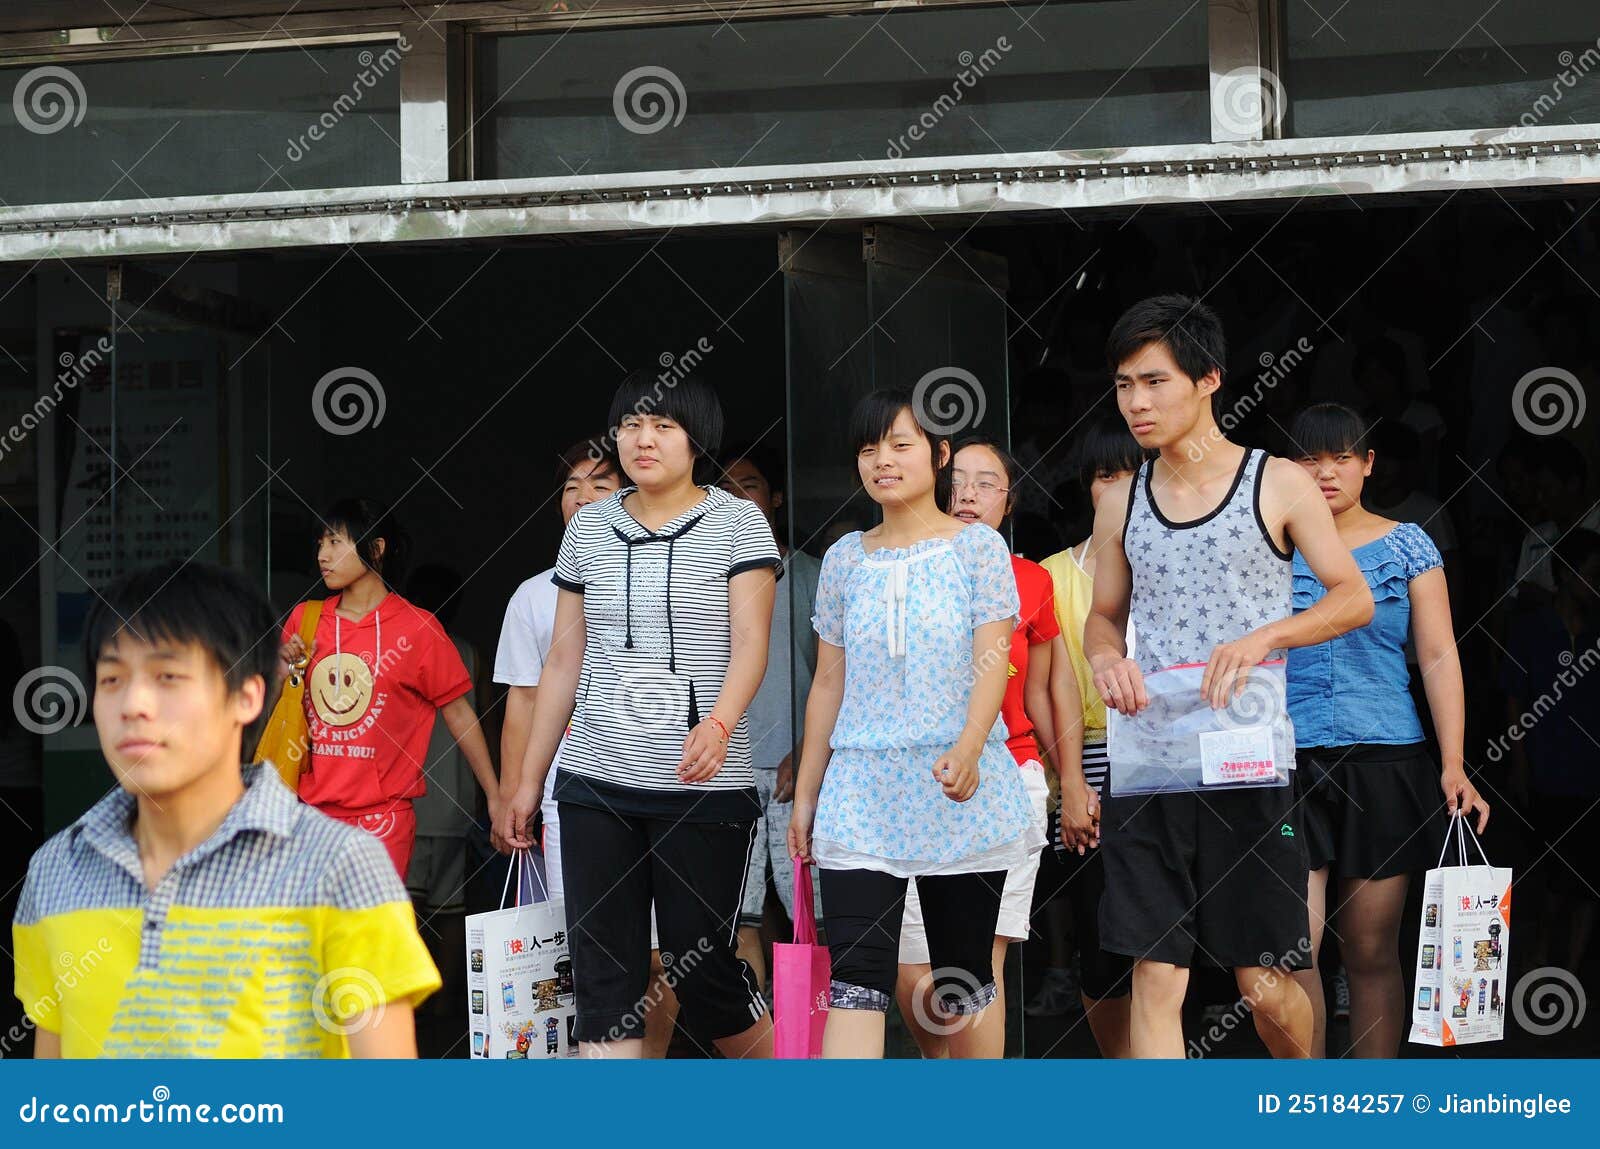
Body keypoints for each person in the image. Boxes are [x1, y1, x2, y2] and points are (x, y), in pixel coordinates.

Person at [1084, 295, 1374, 1060]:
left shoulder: (1277, 482)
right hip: (1148, 765)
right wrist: (1106, 659)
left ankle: (1302, 1101)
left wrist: (1265, 636)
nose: (1137, 403)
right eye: (1123, 385)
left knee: (1263, 980)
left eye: (1154, 381)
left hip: (1246, 761)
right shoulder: (1120, 500)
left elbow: (1354, 597)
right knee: (1156, 973)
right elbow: (1103, 616)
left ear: (1209, 379)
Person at [12, 560, 440, 1058]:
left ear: (247, 696)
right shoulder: (54, 871)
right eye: (111, 680)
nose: (133, 704)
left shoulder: (341, 865)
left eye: (167, 676)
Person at [499, 368, 779, 1060]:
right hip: (595, 781)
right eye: (630, 425)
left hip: (700, 788)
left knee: (702, 965)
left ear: (697, 438)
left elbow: (752, 644)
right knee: (604, 976)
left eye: (662, 425)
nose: (642, 439)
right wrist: (529, 782)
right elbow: (561, 663)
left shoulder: (737, 521)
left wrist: (717, 724)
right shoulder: (589, 528)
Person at [788, 389, 1042, 1060]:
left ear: (939, 453)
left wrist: (968, 748)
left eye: (900, 445)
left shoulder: (978, 549)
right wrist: (809, 792)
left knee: (962, 981)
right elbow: (828, 683)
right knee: (856, 983)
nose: (883, 461)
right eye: (869, 449)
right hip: (862, 794)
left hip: (959, 785)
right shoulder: (844, 558)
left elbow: (995, 659)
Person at [1285, 402, 1486, 1058]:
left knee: (1369, 949)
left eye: (1341, 456)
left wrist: (1452, 760)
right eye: (1311, 458)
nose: (1326, 471)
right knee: (1293, 948)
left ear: (1369, 464)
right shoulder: (1272, 547)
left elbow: (1437, 655)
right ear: (1290, 468)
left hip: (1385, 758)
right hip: (1287, 760)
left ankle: (1373, 1105)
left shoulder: (1408, 543)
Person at [895, 435, 1084, 1056]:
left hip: (1009, 777)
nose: (970, 494)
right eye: (961, 481)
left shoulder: (1031, 581)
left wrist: (1071, 784)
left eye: (988, 483)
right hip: (912, 783)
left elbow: (1044, 697)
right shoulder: (902, 565)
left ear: (1010, 499)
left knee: (982, 965)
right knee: (909, 969)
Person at [493, 439, 683, 1058]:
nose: (583, 497)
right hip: (568, 795)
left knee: (663, 955)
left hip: (663, 783)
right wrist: (512, 792)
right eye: (571, 487)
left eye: (599, 484)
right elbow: (523, 703)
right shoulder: (533, 595)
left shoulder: (667, 568)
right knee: (587, 952)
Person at [277, 498, 501, 879]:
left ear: (376, 549)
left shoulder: (417, 628)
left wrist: (494, 797)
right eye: (320, 543)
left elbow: (460, 712)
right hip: (309, 816)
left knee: (372, 934)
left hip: (382, 820)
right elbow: (273, 704)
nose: (322, 555)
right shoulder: (307, 618)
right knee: (318, 935)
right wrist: (284, 667)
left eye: (335, 542)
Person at [1030, 413, 1143, 1054]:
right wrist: (1067, 781)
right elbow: (1047, 686)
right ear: (1087, 485)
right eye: (1107, 475)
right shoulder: (1050, 574)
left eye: (1134, 474)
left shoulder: (1177, 568)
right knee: (1099, 934)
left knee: (1167, 939)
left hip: (1165, 761)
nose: (1120, 488)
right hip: (1085, 759)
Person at [716, 444, 822, 988]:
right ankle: (767, 1048)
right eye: (727, 488)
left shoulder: (813, 576)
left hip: (799, 772)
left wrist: (805, 752)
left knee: (810, 920)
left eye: (751, 485)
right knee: (739, 921)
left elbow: (838, 679)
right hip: (725, 769)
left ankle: (817, 1049)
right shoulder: (708, 577)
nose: (738, 497)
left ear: (776, 497)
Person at [1505, 529, 1600, 981]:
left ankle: (1574, 969)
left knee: (1588, 877)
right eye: (1592, 575)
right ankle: (1539, 953)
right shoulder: (1532, 629)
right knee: (1548, 872)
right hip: (1546, 770)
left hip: (1592, 772)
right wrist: (1520, 762)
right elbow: (1514, 698)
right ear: (1565, 575)